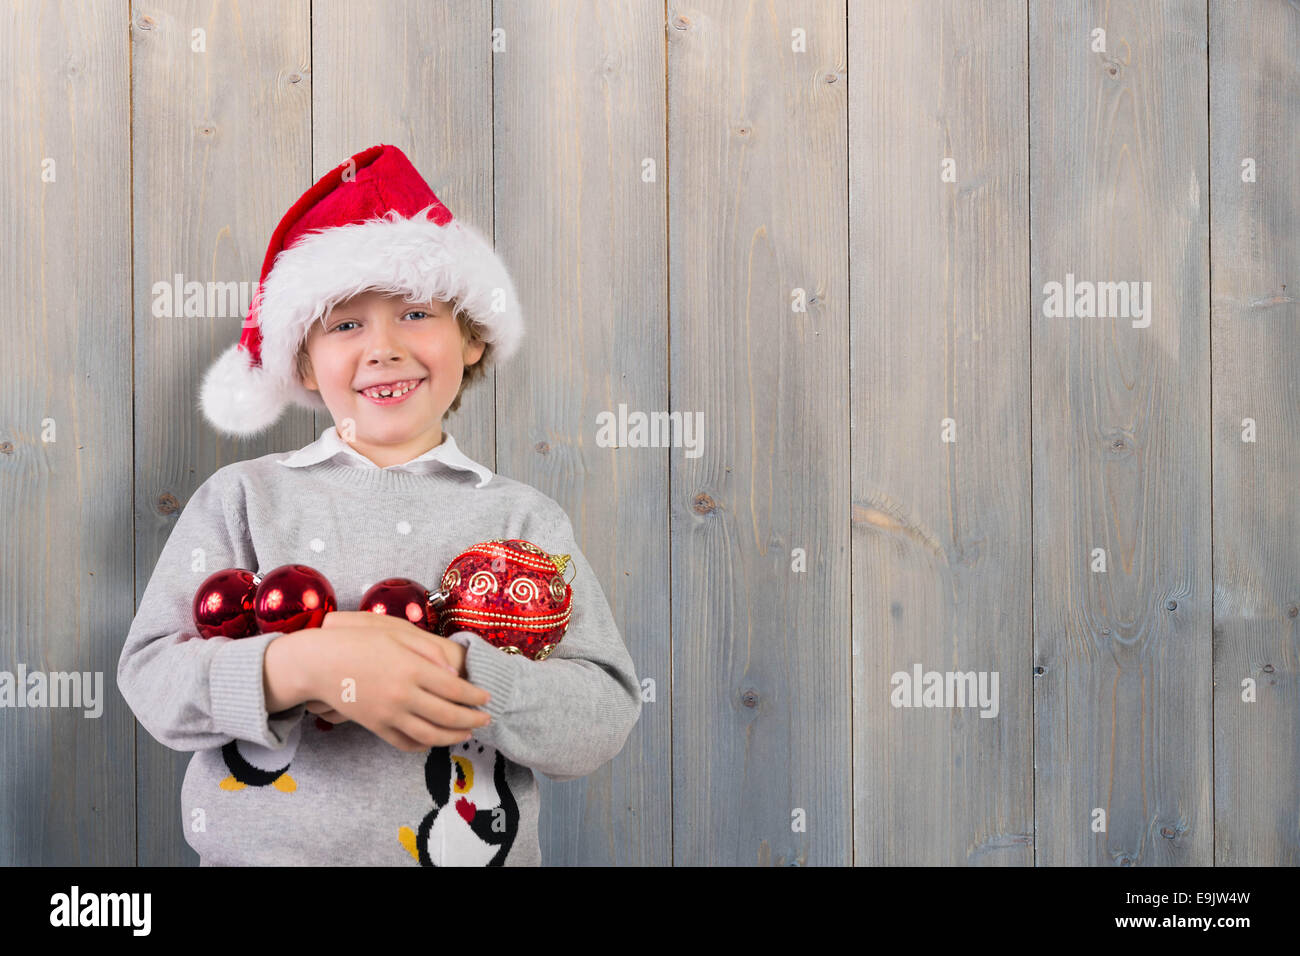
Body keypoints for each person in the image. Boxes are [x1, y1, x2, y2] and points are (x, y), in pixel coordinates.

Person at [116, 144, 642, 866]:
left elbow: (603, 714)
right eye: (345, 324)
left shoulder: (524, 521)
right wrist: (300, 666)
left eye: (416, 312)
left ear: (472, 337)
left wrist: (462, 676)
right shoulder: (242, 499)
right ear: (304, 360)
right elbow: (152, 678)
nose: (383, 348)